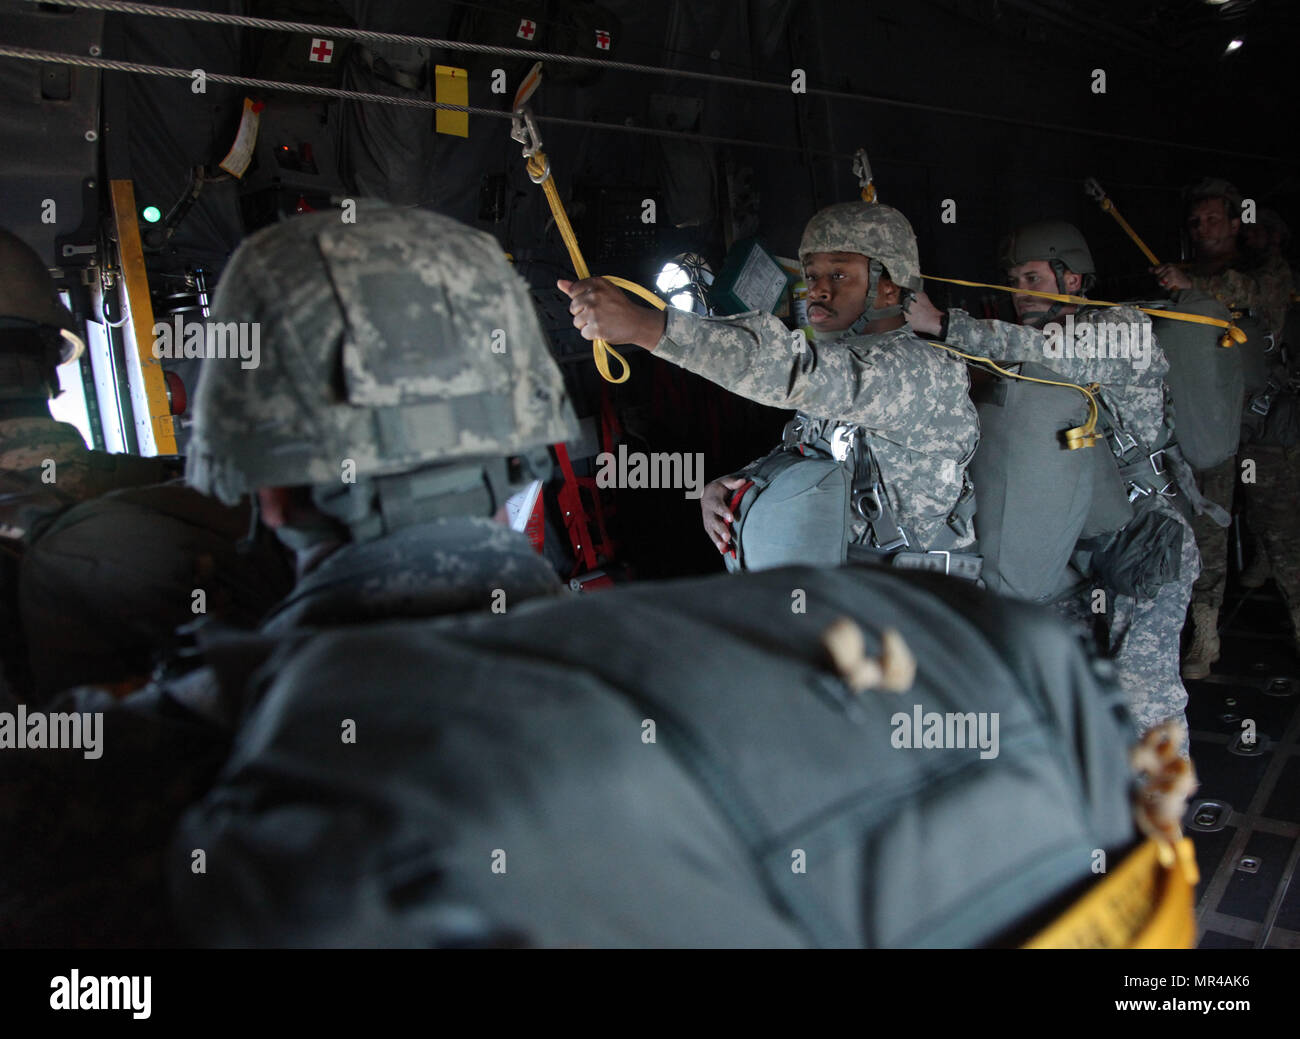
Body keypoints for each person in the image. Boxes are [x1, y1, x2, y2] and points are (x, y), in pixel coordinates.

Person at [560, 201, 980, 578]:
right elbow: (815, 451)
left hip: (915, 614)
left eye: (838, 274)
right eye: (812, 275)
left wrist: (645, 325)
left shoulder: (920, 371)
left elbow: (788, 370)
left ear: (888, 287)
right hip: (847, 600)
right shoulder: (851, 365)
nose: (817, 288)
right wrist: (737, 487)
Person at [906, 221, 1199, 737]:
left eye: (1034, 278)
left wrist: (946, 324)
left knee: (1144, 697)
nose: (1020, 292)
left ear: (1074, 279)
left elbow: (1061, 350)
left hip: (1146, 539)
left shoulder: (1122, 331)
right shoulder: (1020, 351)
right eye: (1014, 279)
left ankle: (1160, 813)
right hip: (1071, 544)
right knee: (1063, 687)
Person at [1151, 180, 1295, 677]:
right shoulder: (1183, 277)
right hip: (1208, 420)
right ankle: (1205, 629)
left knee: (1281, 529)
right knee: (1205, 526)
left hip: (1261, 422)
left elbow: (1254, 297)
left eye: (1214, 219)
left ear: (1236, 224)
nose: (1203, 228)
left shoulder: (1265, 272)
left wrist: (1189, 285)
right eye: (1196, 221)